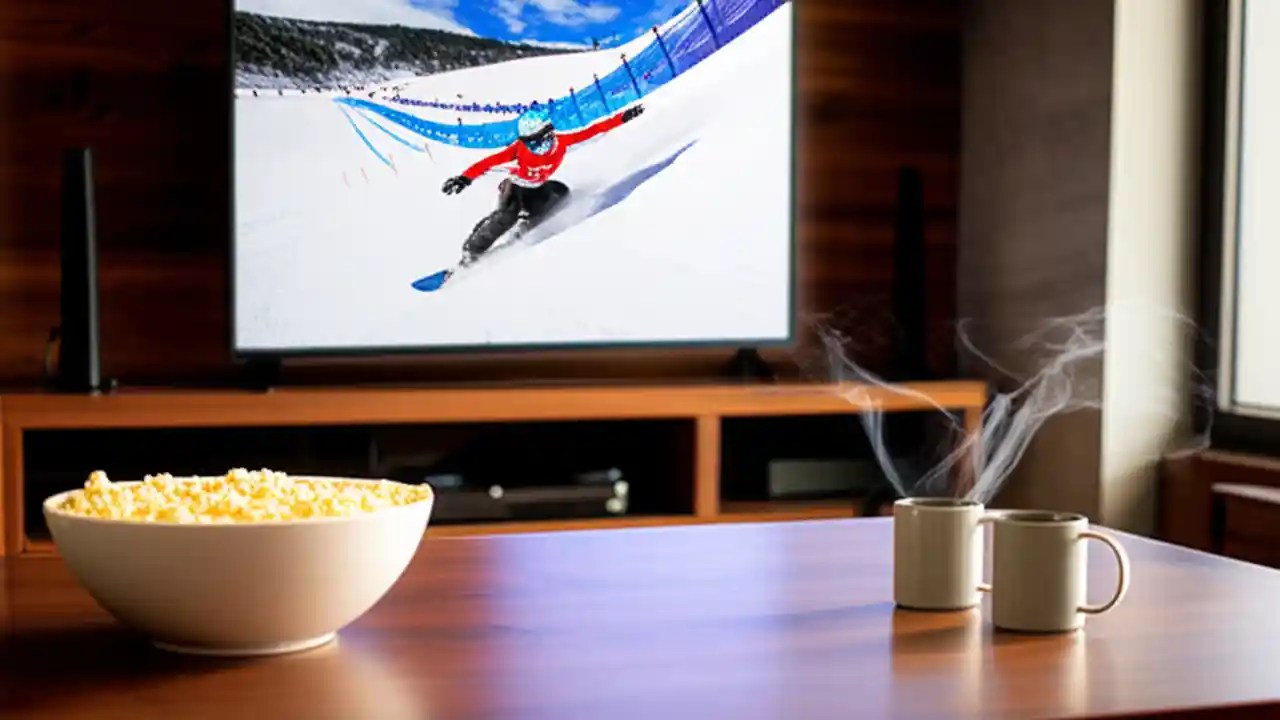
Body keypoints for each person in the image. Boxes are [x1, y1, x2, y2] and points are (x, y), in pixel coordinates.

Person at [440, 103, 645, 266]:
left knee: (561, 194)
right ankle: (472, 250)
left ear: (549, 133)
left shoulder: (562, 143)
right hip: (515, 188)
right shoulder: (517, 152)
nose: (535, 147)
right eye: (530, 143)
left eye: (538, 141)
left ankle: (527, 221)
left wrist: (622, 118)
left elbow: (594, 130)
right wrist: (464, 178)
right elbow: (487, 163)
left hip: (536, 187)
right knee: (505, 216)